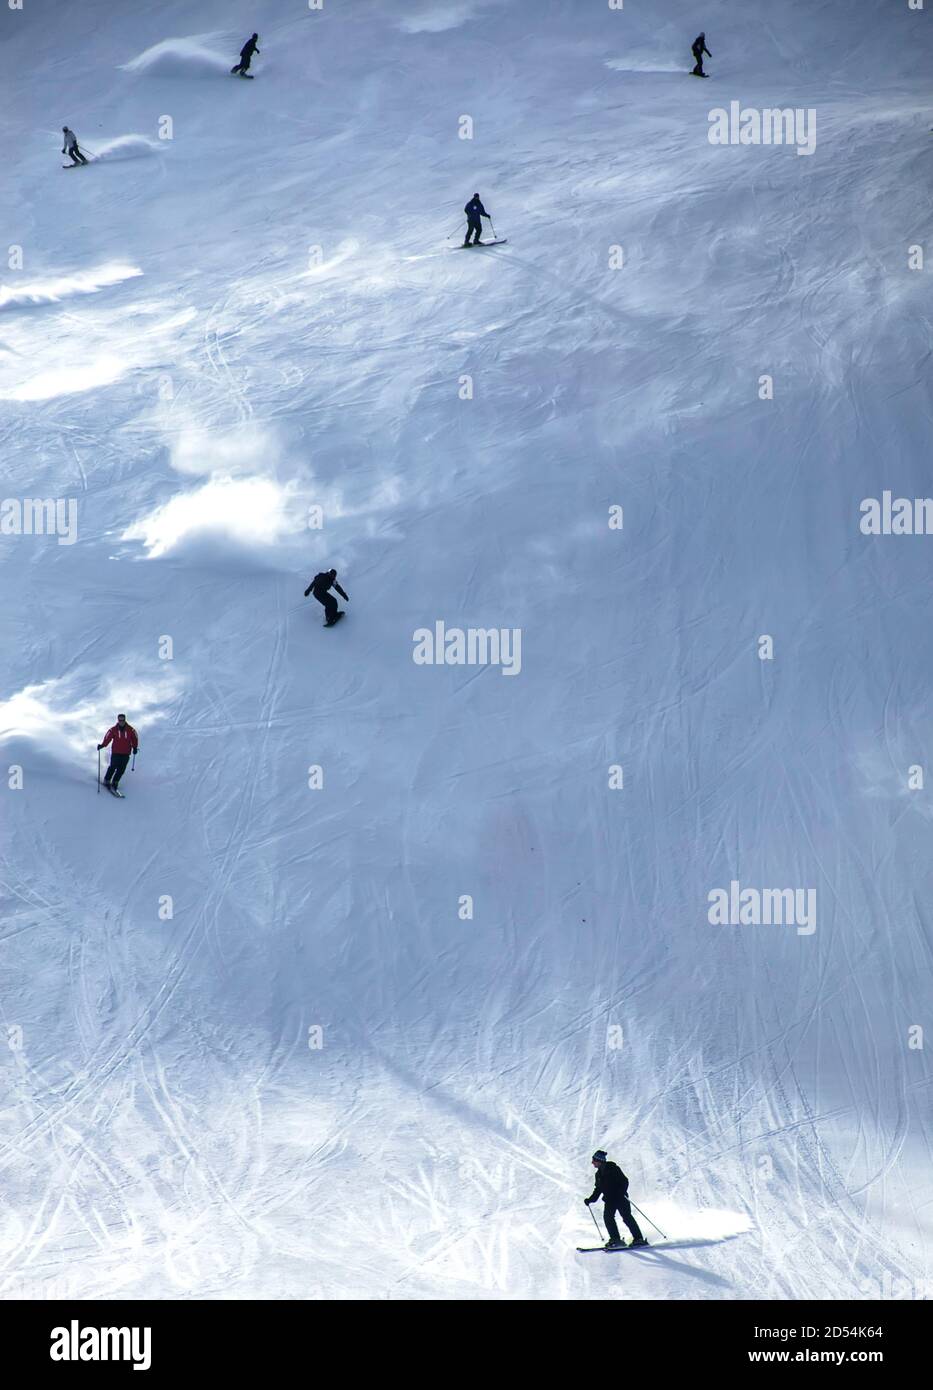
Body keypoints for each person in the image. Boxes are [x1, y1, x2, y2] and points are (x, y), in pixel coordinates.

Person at [584, 1150, 648, 1250]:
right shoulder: (598, 1174)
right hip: (609, 1200)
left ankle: (638, 1239)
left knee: (626, 1217)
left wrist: (621, 1192)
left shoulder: (613, 1168)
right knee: (608, 1218)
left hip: (620, 1198)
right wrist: (590, 1200)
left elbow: (624, 1181)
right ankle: (615, 1239)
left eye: (594, 1160)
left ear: (599, 1161)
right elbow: (598, 1189)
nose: (592, 1163)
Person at [98, 714, 138, 794]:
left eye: (123, 720)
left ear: (125, 720)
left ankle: (115, 782)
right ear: (118, 720)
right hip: (116, 752)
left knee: (121, 769)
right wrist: (102, 745)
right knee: (113, 766)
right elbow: (107, 737)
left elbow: (135, 738)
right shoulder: (113, 730)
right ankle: (107, 780)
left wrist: (135, 748)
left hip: (126, 753)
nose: (121, 722)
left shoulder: (131, 730)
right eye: (120, 720)